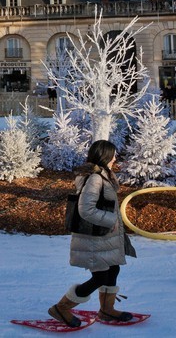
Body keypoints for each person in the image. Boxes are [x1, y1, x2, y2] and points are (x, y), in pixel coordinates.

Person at [47, 140, 136, 327]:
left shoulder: (102, 175)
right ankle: (61, 308)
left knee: (113, 269)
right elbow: (85, 209)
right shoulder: (95, 178)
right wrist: (110, 220)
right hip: (95, 237)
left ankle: (106, 310)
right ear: (105, 156)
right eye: (113, 154)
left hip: (104, 236)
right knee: (100, 277)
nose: (116, 158)